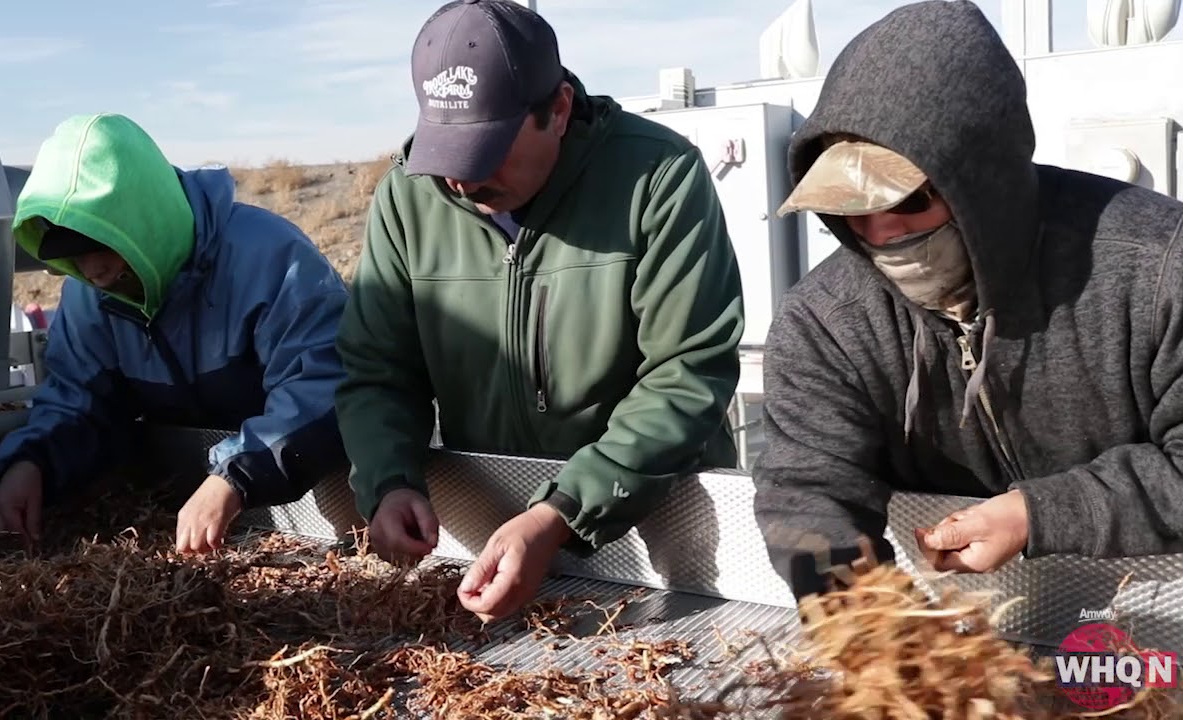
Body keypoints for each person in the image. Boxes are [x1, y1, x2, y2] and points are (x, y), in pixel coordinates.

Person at [753, 0, 1183, 600]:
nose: (881, 232)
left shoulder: (1158, 262)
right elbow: (807, 482)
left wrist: (1038, 512)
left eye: (909, 202)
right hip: (963, 618)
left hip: (1155, 599)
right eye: (852, 207)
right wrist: (853, 612)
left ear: (981, 184)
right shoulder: (825, 319)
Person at [335, 0, 744, 623]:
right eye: (449, 154)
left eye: (486, 150)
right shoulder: (409, 195)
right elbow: (378, 367)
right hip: (496, 518)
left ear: (556, 110)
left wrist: (561, 512)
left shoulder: (657, 175)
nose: (463, 184)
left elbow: (688, 369)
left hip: (664, 514)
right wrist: (388, 482)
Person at [0, 113, 350, 554]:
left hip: (300, 496)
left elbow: (322, 382)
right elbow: (77, 399)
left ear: (145, 220)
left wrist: (236, 477)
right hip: (187, 506)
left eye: (102, 246)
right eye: (74, 257)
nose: (93, 272)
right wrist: (32, 462)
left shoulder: (271, 257)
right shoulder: (87, 298)